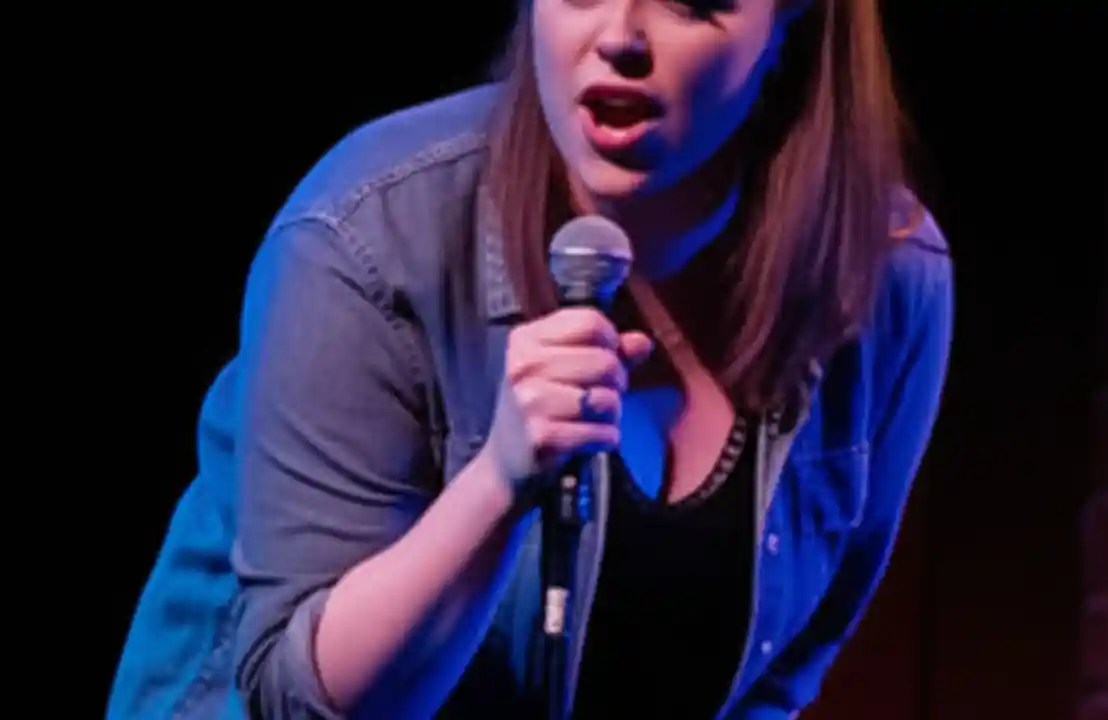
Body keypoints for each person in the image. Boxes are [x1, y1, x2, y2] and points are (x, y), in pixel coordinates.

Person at [108, 0, 953, 717]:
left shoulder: (885, 280)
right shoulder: (368, 236)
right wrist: (496, 484)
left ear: (790, 27)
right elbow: (296, 699)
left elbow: (779, 673)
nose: (621, 34)